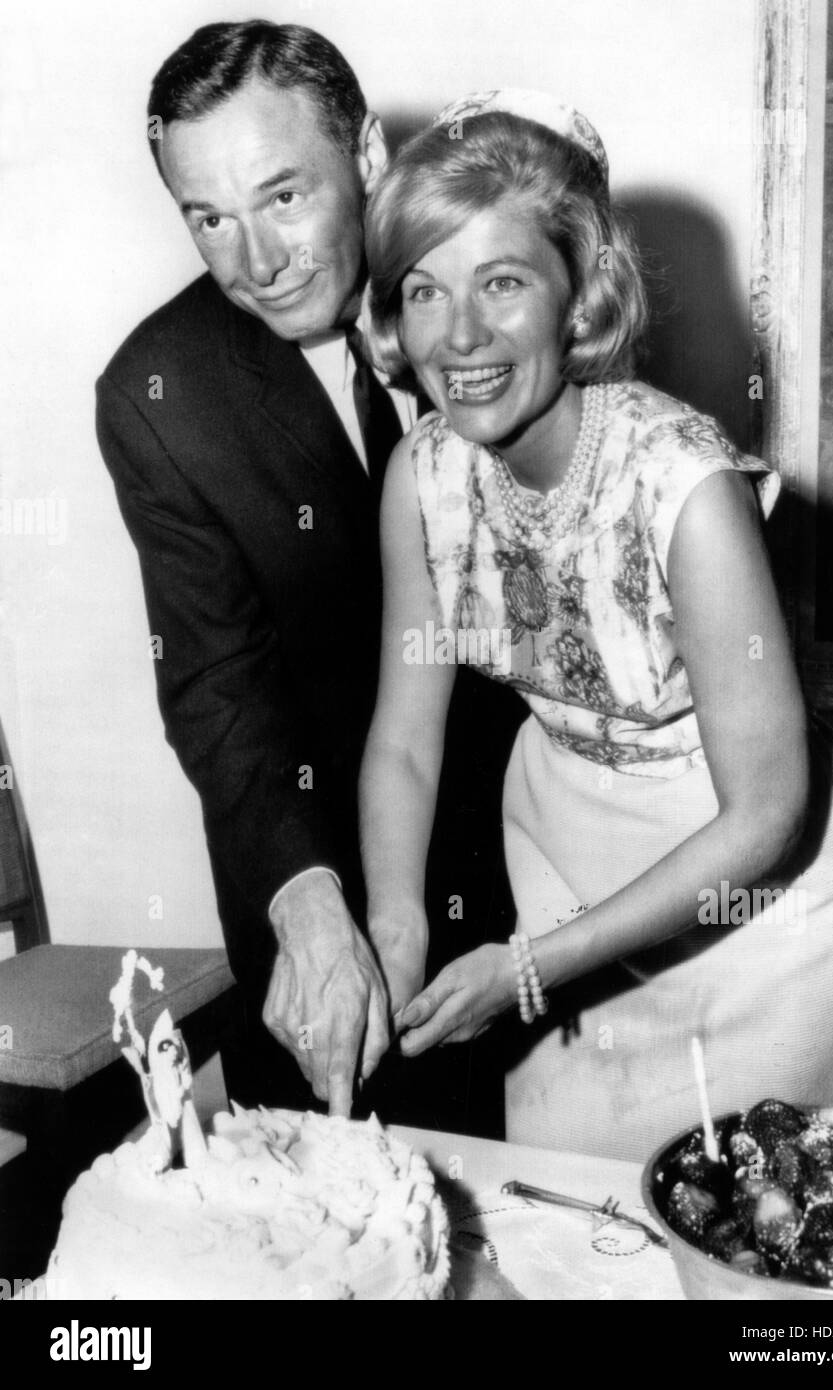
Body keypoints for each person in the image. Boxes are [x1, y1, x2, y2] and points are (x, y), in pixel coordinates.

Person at [359, 90, 833, 1161]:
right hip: (555, 859)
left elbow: (767, 810)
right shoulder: (420, 475)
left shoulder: (686, 490)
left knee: (722, 1239)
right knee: (557, 1238)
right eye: (423, 290)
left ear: (579, 296)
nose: (458, 335)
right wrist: (393, 932)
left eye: (501, 281)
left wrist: (535, 967)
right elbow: (405, 742)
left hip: (748, 903)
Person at [96, 23, 517, 1122]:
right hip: (320, 919)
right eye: (209, 220)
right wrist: (302, 898)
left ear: (370, 156)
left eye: (284, 197)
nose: (255, 261)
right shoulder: (159, 395)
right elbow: (214, 684)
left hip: (552, 886)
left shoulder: (498, 292)